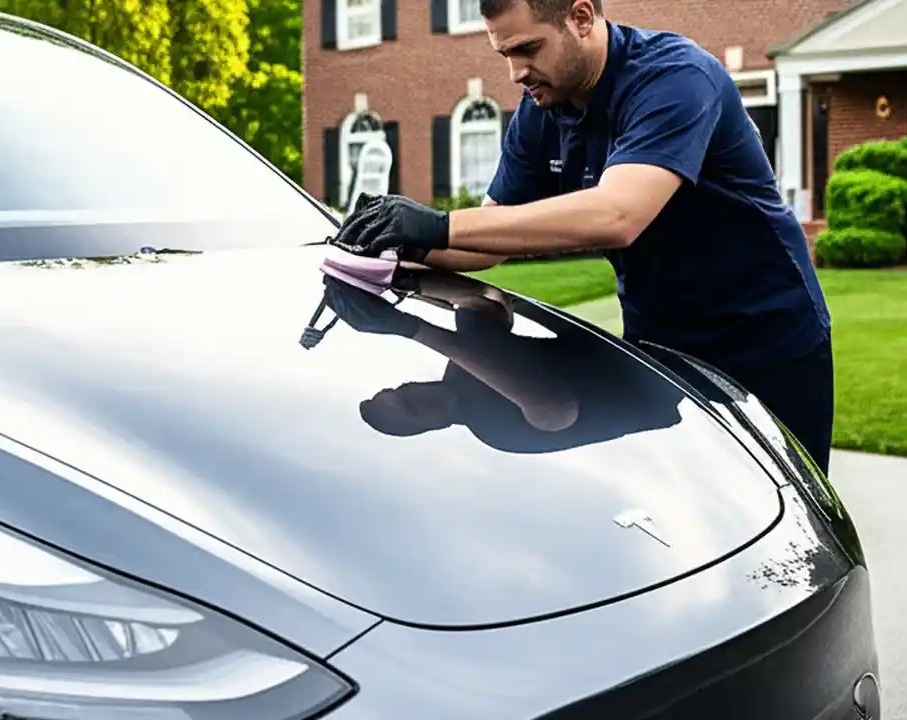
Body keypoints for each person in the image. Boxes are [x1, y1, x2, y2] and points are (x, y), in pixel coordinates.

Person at [329, 0, 835, 476]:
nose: (515, 72)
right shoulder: (541, 112)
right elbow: (488, 239)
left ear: (581, 17)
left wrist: (436, 224)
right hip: (657, 342)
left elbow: (619, 214)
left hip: (769, 344)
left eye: (528, 49)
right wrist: (392, 243)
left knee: (788, 522)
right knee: (699, 509)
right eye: (504, 54)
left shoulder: (674, 79)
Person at [319, 271, 684, 454]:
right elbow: (555, 406)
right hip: (678, 382)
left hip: (650, 334)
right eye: (414, 409)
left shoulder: (462, 368)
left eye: (404, 392)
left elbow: (485, 302)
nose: (418, 395)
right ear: (431, 428)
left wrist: (395, 280)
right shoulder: (494, 431)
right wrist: (408, 327)